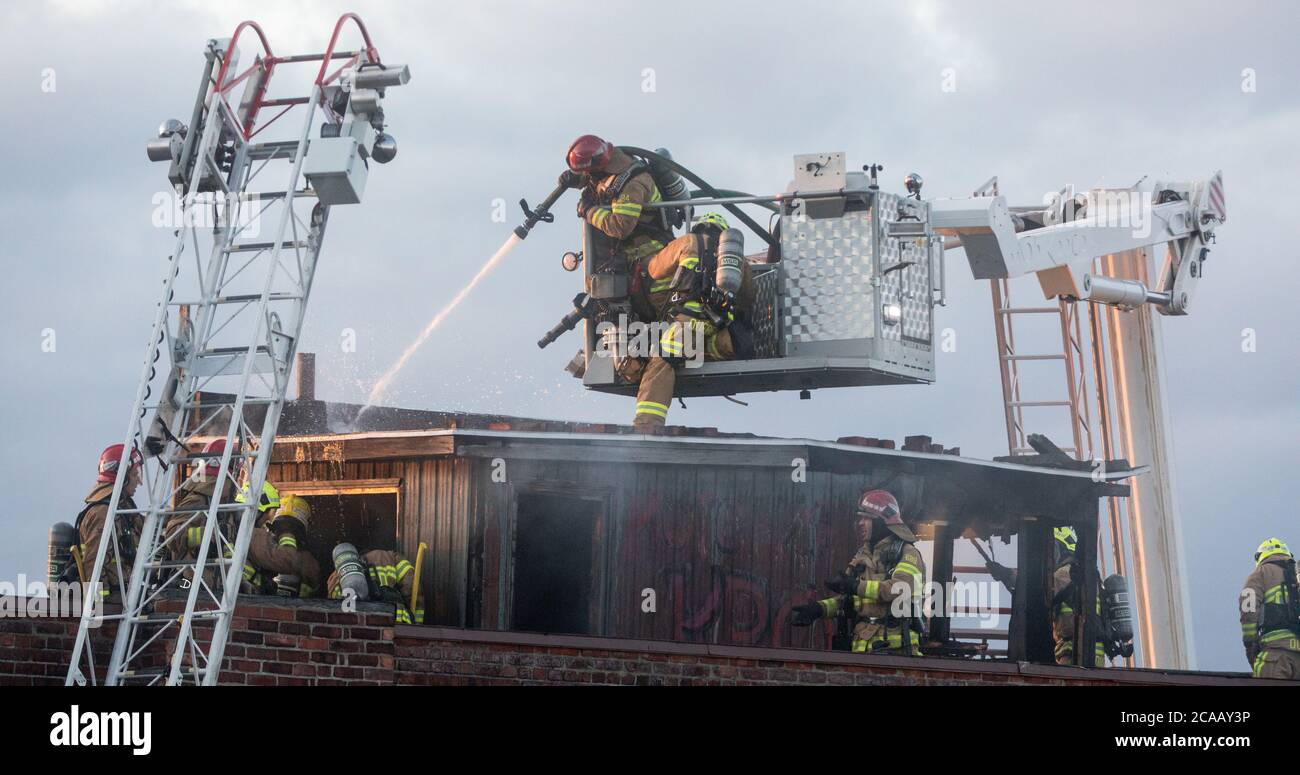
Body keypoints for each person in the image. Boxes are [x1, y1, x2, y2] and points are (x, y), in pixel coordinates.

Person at [626, 212, 755, 431]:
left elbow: (655, 269)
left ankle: (647, 425)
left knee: (663, 359)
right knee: (696, 348)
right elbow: (749, 296)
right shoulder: (735, 258)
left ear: (698, 228)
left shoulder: (687, 242)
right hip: (720, 325)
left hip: (690, 321)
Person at [791, 489, 925, 655]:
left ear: (881, 522)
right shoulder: (862, 556)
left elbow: (898, 589)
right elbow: (849, 600)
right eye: (860, 518)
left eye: (866, 518)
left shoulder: (907, 553)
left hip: (896, 653)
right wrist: (819, 609)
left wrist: (854, 585)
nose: (860, 523)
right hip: (862, 649)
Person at [564, 134, 671, 267]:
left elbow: (621, 227)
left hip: (649, 254)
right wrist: (575, 178)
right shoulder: (613, 163)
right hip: (629, 255)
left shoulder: (631, 185)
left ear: (597, 168)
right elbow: (598, 179)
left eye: (586, 172)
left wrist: (588, 211)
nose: (586, 175)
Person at [77, 444, 144, 598]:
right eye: (135, 475)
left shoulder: (122, 507)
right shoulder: (104, 513)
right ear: (122, 476)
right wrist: (103, 604)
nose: (139, 482)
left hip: (125, 592)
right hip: (112, 599)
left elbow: (145, 528)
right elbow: (94, 562)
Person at [1240, 538, 1300, 679]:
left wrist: (1250, 645)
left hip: (1275, 655)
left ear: (1260, 556)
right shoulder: (1296, 575)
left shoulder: (1260, 574)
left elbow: (1248, 611)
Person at [327, 546, 423, 624]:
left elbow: (333, 606)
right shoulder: (390, 557)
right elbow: (413, 587)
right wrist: (417, 625)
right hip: (397, 620)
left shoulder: (336, 575)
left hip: (360, 625)